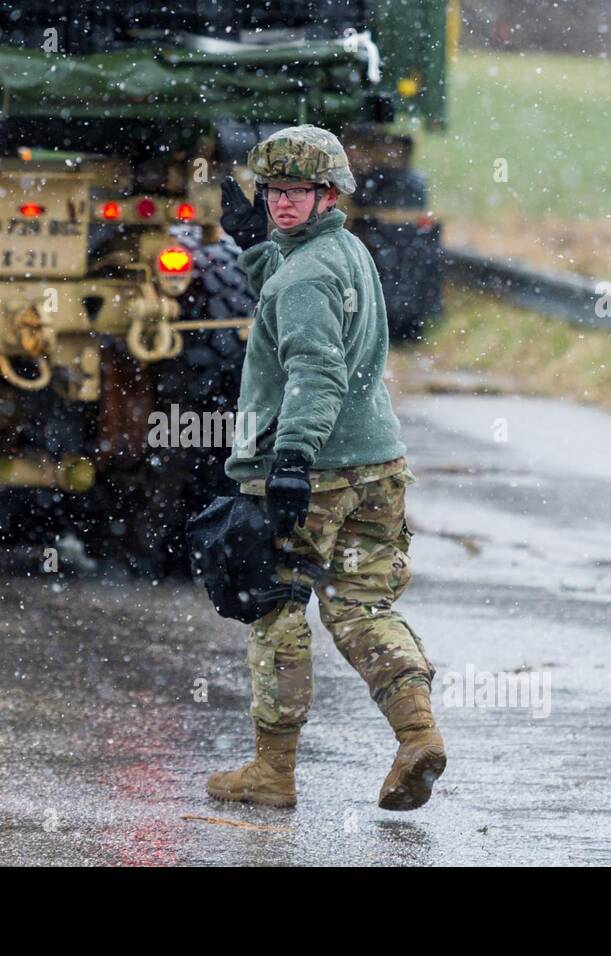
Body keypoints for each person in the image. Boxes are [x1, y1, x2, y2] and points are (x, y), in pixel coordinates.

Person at [207, 125, 445, 811]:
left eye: (296, 193)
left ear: (329, 193)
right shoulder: (345, 252)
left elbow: (315, 368)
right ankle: (418, 734)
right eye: (272, 191)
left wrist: (291, 461)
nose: (281, 204)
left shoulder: (306, 276)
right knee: (363, 606)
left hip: (315, 470)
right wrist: (256, 243)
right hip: (378, 463)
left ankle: (272, 771)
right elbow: (289, 291)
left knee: (276, 606)